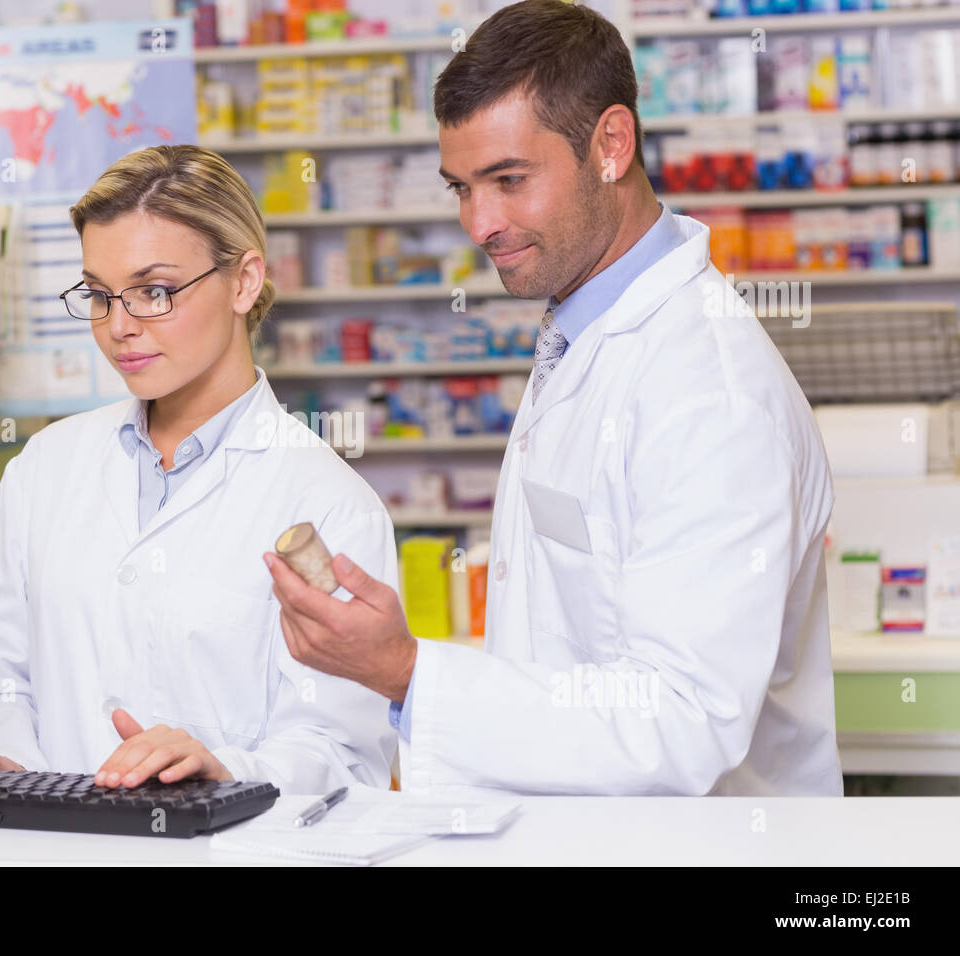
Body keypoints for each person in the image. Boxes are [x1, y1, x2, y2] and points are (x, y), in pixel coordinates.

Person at [263, 0, 843, 796]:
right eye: (461, 188)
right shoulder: (584, 327)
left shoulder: (711, 392)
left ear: (610, 145)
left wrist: (407, 672)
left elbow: (683, 718)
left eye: (508, 181)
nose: (480, 222)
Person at [0, 145, 398, 793]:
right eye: (100, 295)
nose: (118, 327)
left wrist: (227, 773)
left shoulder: (328, 504)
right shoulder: (48, 467)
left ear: (244, 281)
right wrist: (12, 762)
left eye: (154, 291)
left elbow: (340, 749)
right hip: (50, 843)